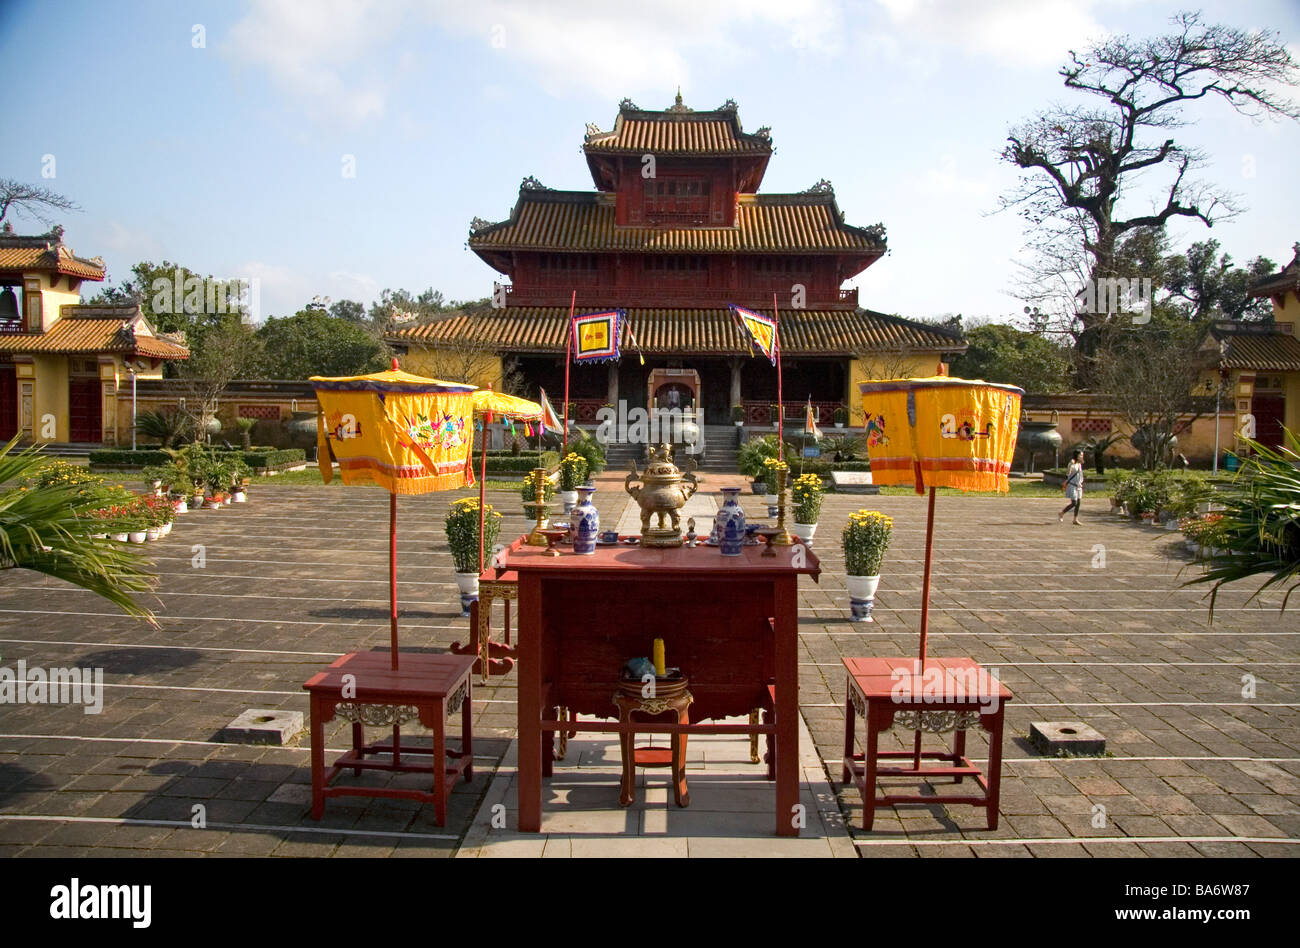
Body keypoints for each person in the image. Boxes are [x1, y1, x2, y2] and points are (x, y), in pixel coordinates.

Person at [1059, 449, 1085, 525]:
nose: (1082, 456)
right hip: (1072, 485)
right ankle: (1062, 513)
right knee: (1074, 503)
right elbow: (1068, 473)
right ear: (1077, 456)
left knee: (1078, 503)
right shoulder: (1072, 463)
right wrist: (1070, 465)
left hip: (1079, 486)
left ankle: (1075, 519)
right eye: (1081, 455)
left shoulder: (1079, 464)